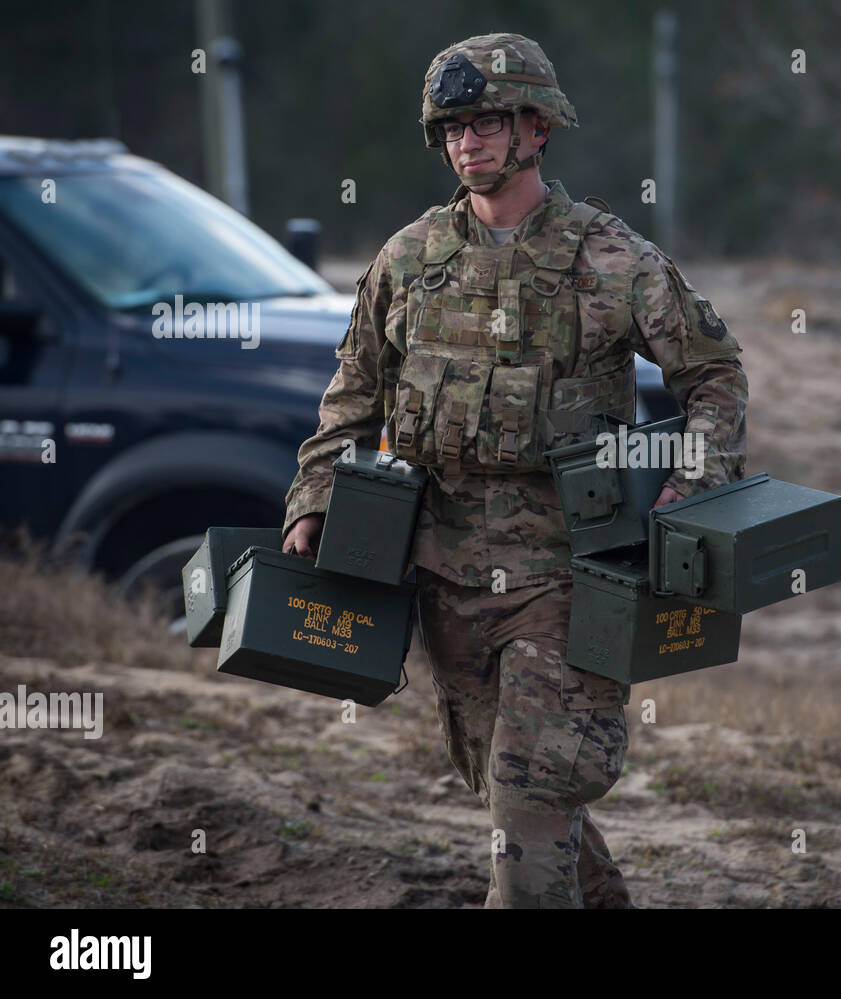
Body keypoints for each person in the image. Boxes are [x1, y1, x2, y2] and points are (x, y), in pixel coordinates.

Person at [281, 32, 747, 906]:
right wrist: (311, 501)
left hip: (568, 579)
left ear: (537, 127)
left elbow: (713, 373)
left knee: (532, 794)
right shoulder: (409, 260)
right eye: (453, 127)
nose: (469, 141)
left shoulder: (610, 257)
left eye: (488, 121)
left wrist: (694, 481)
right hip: (440, 576)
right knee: (518, 798)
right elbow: (353, 396)